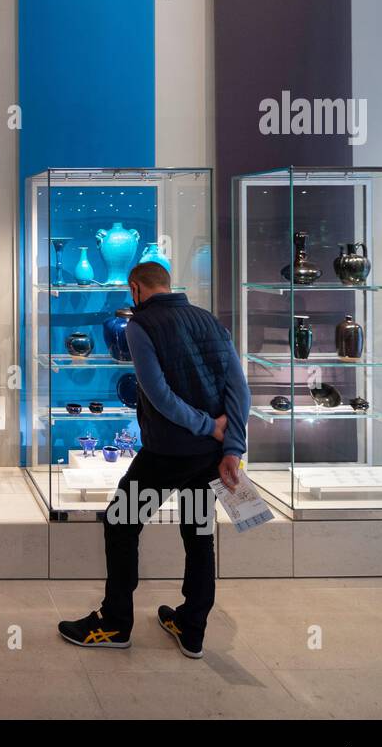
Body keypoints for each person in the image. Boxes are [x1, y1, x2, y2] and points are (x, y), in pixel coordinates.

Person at [58, 261, 249, 659]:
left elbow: (158, 394)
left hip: (168, 453)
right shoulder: (210, 321)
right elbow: (239, 390)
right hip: (208, 456)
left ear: (136, 288)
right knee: (199, 535)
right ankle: (192, 627)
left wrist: (204, 427)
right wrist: (231, 445)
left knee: (120, 522)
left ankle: (114, 623)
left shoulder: (140, 326)